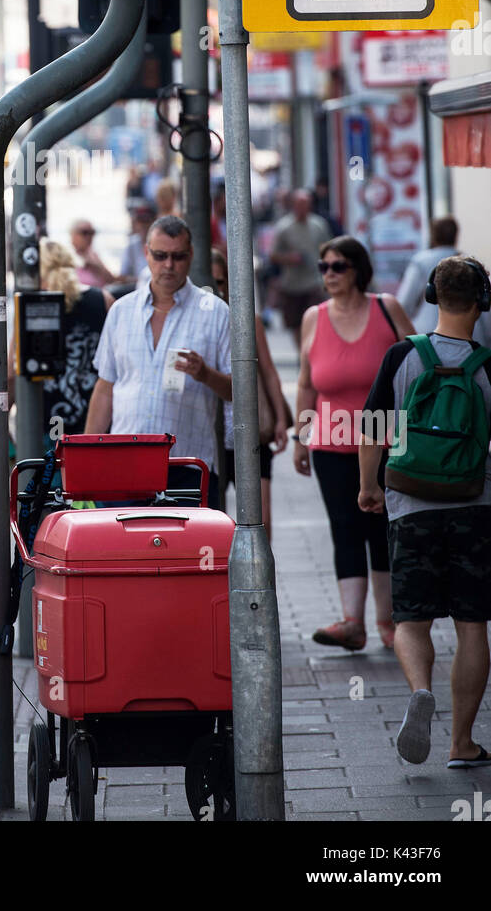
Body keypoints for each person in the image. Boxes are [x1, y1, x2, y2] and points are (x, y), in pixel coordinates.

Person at [359, 256, 491, 768]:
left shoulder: (401, 356)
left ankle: (419, 691)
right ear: (481, 303)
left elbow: (371, 431)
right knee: (473, 625)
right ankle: (462, 743)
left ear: (433, 298)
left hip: (410, 503)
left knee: (410, 621)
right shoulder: (487, 367)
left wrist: (368, 488)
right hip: (474, 507)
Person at [293, 235, 414, 652]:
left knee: (382, 529)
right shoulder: (314, 317)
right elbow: (308, 384)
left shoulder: (386, 308)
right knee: (344, 528)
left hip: (384, 439)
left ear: (358, 269)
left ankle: (387, 622)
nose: (329, 274)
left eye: (338, 266)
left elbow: (417, 365)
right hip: (329, 442)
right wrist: (300, 439)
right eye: (323, 267)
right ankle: (351, 622)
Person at [84, 215, 232, 502]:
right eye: (160, 255)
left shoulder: (215, 312)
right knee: (121, 548)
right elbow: (105, 387)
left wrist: (205, 374)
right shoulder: (121, 310)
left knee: (185, 548)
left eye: (178, 257)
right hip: (123, 463)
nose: (168, 265)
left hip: (186, 465)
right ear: (146, 253)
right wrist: (89, 455)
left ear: (191, 257)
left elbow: (237, 390)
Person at [210, 248, 289, 539]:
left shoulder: (247, 319)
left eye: (220, 282)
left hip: (249, 430)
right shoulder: (195, 321)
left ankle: (260, 579)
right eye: (210, 283)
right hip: (211, 436)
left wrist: (281, 418)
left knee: (261, 520)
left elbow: (268, 371)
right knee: (214, 524)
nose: (216, 290)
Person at [39, 239, 112, 441]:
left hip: (46, 422)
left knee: (47, 472)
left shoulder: (34, 306)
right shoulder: (103, 299)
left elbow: (11, 371)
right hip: (97, 422)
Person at [270, 188, 332, 348]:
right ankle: (302, 354)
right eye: (300, 204)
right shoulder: (284, 227)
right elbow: (273, 255)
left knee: (317, 322)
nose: (304, 207)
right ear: (293, 205)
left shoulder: (319, 225)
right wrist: (289, 258)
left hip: (314, 283)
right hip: (292, 285)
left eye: (307, 204)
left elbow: (329, 249)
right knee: (297, 325)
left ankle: (314, 353)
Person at [396, 217, 460, 334]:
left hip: (427, 335)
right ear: (456, 235)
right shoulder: (469, 263)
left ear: (433, 235)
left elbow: (404, 303)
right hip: (467, 336)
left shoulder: (421, 262)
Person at [117, 201, 156, 284]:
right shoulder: (131, 245)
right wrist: (141, 280)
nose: (143, 225)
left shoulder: (162, 243)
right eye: (140, 220)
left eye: (146, 220)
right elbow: (122, 276)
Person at [69, 218, 115, 289]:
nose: (89, 237)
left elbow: (111, 280)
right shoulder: (66, 255)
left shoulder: (94, 254)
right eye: (84, 232)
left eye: (92, 233)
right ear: (73, 234)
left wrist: (96, 266)